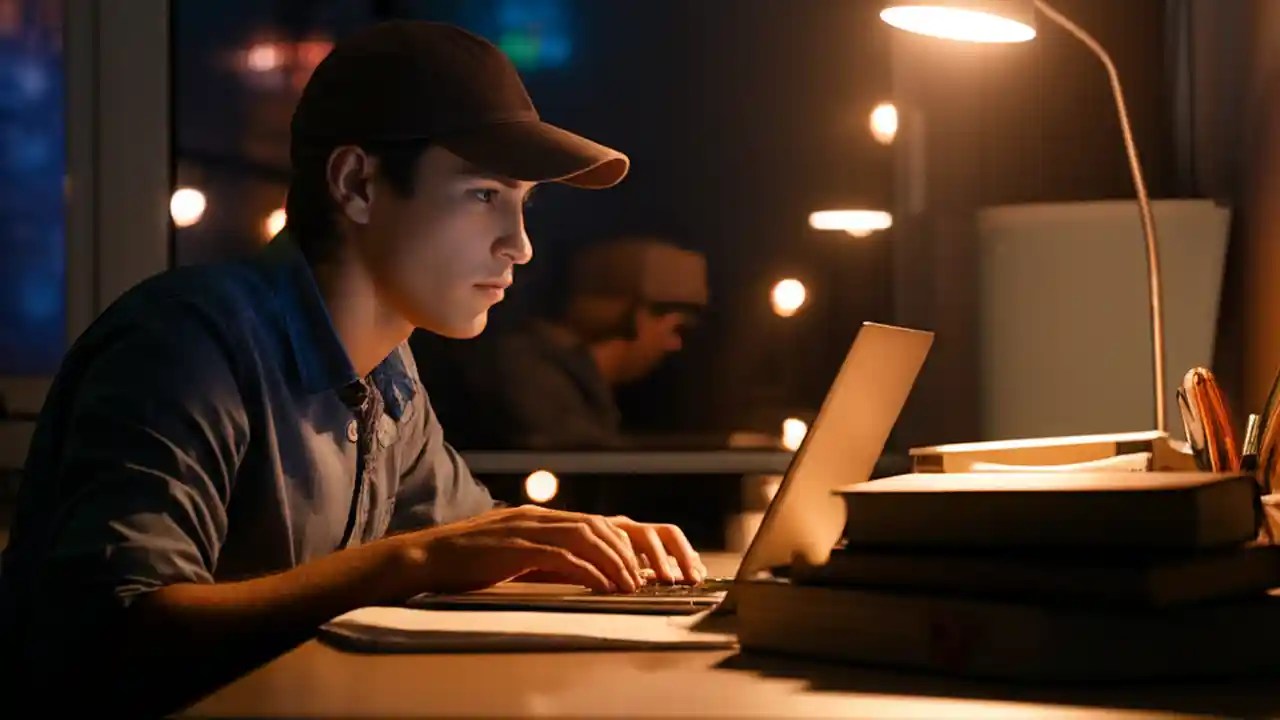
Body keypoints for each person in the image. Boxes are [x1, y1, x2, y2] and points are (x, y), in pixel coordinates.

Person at [0, 21, 705, 714]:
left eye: (523, 205)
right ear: (357, 183)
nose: (518, 245)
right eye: (486, 195)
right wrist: (412, 562)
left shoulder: (389, 375)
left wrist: (584, 541)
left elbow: (469, 540)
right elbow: (119, 633)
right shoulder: (187, 341)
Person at [417, 237, 708, 449]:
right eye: (677, 327)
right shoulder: (527, 374)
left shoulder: (560, 379)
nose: (675, 344)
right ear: (636, 316)